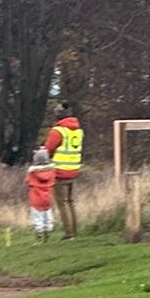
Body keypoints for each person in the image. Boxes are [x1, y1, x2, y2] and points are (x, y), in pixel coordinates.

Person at [43, 100, 84, 238]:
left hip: (60, 170)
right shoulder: (78, 131)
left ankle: (69, 233)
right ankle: (74, 231)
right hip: (74, 169)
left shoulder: (58, 131)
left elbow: (48, 150)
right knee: (70, 202)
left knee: (62, 202)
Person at [26, 147, 56, 242]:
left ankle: (38, 235)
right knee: (48, 216)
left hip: (36, 198)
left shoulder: (32, 173)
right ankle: (48, 232)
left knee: (37, 217)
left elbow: (27, 182)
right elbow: (53, 182)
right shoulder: (51, 172)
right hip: (48, 198)